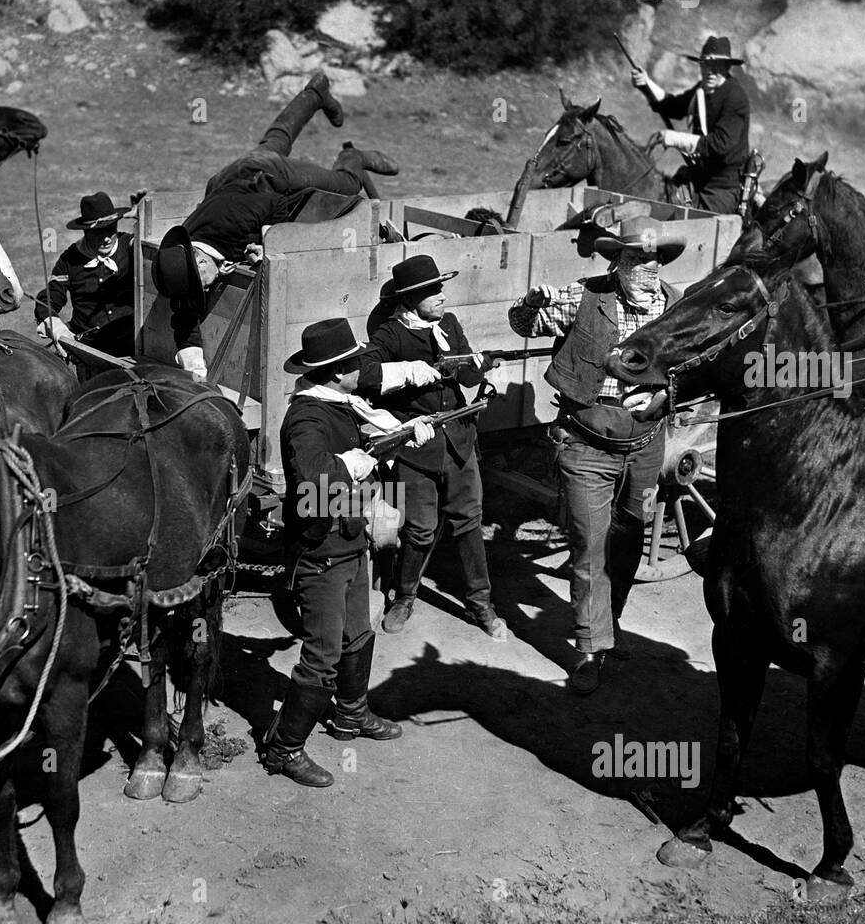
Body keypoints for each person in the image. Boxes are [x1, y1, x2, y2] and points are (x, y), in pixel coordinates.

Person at [508, 216, 684, 694]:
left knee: (627, 540)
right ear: (616, 261)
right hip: (586, 446)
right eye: (633, 258)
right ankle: (589, 649)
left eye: (653, 258)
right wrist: (530, 303)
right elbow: (522, 324)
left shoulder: (677, 307)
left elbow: (694, 368)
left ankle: (612, 624)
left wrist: (665, 397)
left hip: (647, 448)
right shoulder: (583, 296)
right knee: (590, 547)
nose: (645, 267)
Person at [264, 318, 440, 787]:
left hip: (349, 538)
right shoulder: (307, 417)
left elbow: (362, 446)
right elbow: (313, 479)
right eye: (353, 363)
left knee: (358, 635)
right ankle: (283, 749)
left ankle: (351, 715)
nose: (362, 368)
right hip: (320, 549)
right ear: (334, 370)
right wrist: (358, 461)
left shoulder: (341, 405)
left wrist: (401, 436)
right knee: (321, 654)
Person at [152, 73, 399, 377]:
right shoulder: (186, 264)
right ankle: (315, 93)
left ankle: (353, 157)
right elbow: (185, 316)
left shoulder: (231, 221)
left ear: (201, 259)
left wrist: (270, 240)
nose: (205, 288)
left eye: (203, 281)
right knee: (276, 139)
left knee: (346, 186)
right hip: (231, 180)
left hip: (268, 177)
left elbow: (277, 206)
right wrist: (194, 366)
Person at [359, 255, 507, 639]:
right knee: (420, 530)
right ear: (410, 300)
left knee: (470, 523)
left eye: (441, 288)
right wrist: (410, 373)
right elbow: (366, 375)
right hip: (415, 448)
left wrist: (479, 365)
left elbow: (470, 373)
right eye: (432, 290)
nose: (442, 296)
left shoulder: (450, 324)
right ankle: (404, 598)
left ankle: (481, 604)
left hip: (458, 442)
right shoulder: (392, 334)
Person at [629, 35, 751, 215]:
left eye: (716, 66)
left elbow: (720, 144)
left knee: (695, 224)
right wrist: (646, 84)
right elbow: (672, 106)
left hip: (723, 187)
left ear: (726, 67)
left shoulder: (735, 97)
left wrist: (675, 139)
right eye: (706, 65)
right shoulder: (701, 90)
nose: (710, 71)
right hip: (696, 178)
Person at [34, 191, 138, 358]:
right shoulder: (69, 260)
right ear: (85, 232)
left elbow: (158, 255)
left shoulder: (131, 246)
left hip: (133, 348)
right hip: (90, 352)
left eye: (110, 229)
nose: (106, 239)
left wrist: (144, 220)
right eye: (98, 232)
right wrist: (58, 329)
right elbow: (47, 301)